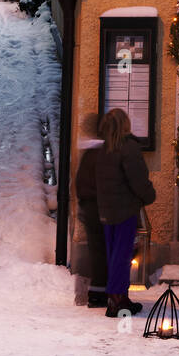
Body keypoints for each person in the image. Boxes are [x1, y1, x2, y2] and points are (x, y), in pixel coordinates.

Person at [95, 109, 156, 318]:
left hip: (106, 210)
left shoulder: (104, 149)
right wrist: (149, 195)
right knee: (123, 255)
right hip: (124, 210)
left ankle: (119, 295)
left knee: (114, 254)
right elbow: (138, 179)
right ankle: (117, 299)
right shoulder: (128, 148)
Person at [74, 111, 107, 308]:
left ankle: (96, 290)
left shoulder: (89, 151)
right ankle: (99, 291)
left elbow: (80, 182)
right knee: (101, 251)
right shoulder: (101, 152)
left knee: (96, 250)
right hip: (98, 207)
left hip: (89, 206)